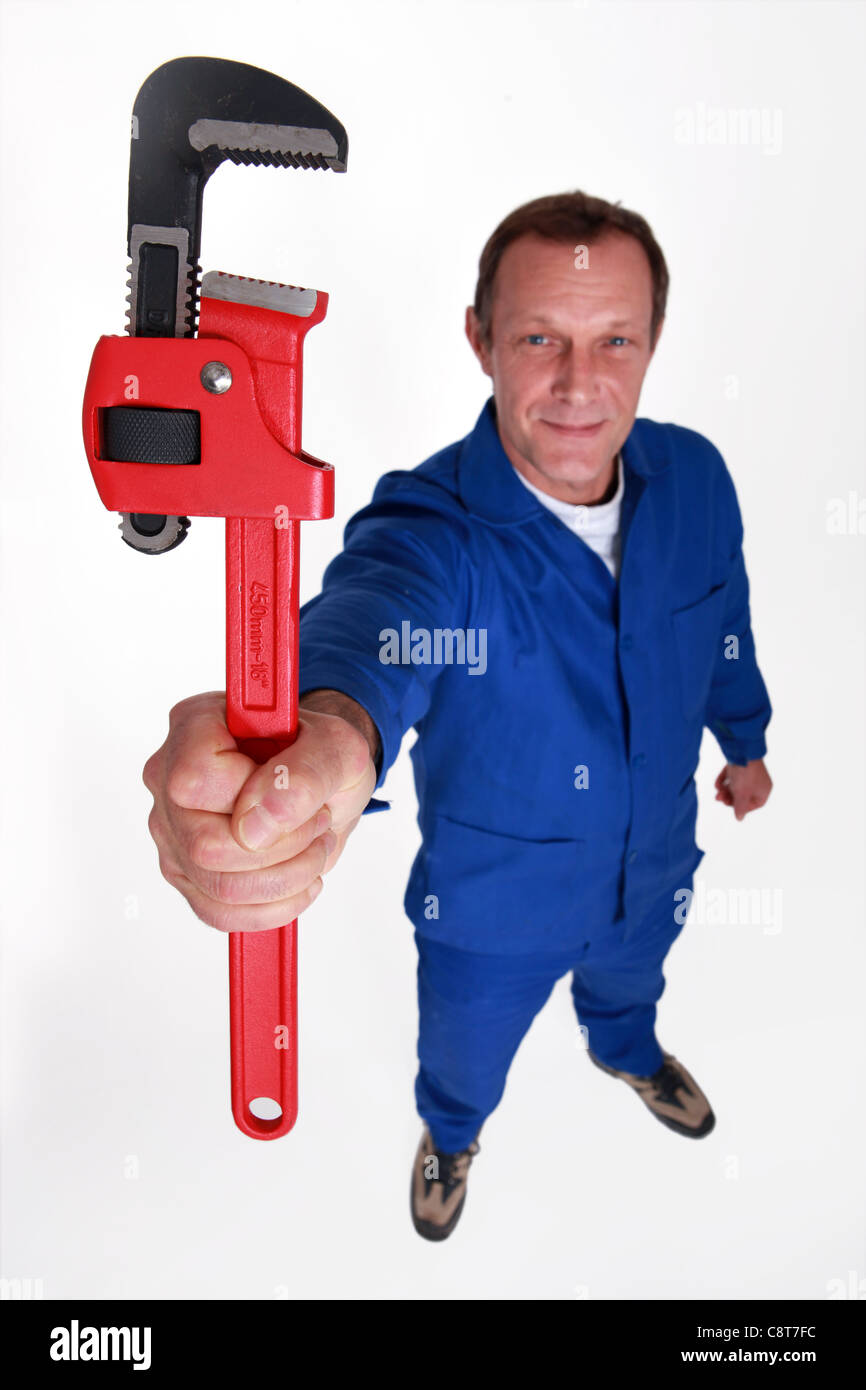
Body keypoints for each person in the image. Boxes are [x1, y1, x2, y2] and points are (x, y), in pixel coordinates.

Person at [143, 191, 773, 1242]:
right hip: (489, 915)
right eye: (538, 337)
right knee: (464, 1053)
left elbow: (724, 626)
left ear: (653, 341)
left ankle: (622, 1046)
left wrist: (743, 741)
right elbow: (377, 623)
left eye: (613, 338)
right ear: (478, 339)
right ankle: (451, 1136)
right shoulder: (434, 532)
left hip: (654, 865)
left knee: (631, 983)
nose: (579, 383)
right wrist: (330, 727)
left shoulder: (697, 479)